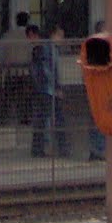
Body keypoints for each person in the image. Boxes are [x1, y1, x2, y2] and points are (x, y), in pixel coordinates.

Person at [30, 23, 70, 157]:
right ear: (53, 35)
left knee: (42, 120)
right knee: (56, 119)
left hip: (43, 89)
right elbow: (49, 70)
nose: (62, 39)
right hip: (48, 90)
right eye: (60, 36)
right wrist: (56, 87)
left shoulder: (45, 48)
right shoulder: (48, 49)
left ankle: (39, 149)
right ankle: (62, 148)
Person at [87, 20, 107, 161]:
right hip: (99, 88)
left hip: (95, 88)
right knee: (99, 120)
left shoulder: (91, 45)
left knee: (97, 120)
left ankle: (96, 150)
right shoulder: (99, 46)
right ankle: (98, 150)